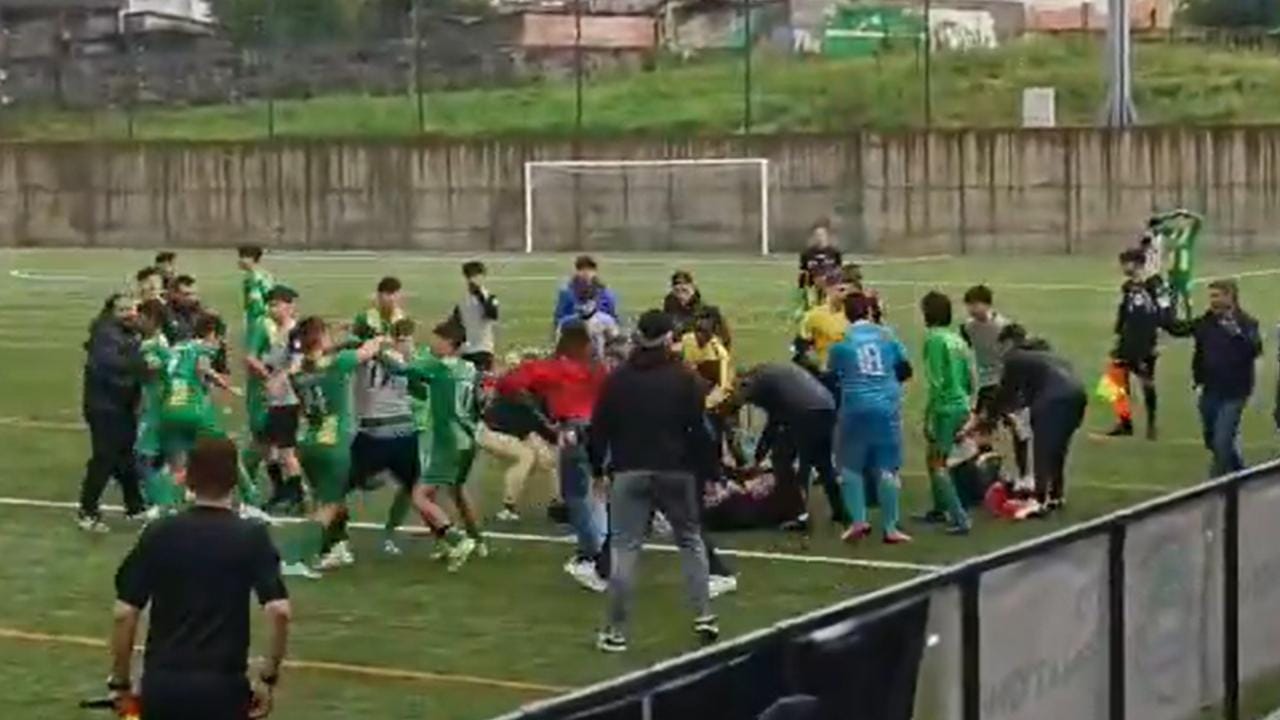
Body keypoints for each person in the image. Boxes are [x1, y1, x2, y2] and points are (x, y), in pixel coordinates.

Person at [108, 437, 291, 720]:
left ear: (189, 479)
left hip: (163, 685)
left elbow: (124, 613)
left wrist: (120, 682)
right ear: (233, 480)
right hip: (223, 688)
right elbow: (279, 611)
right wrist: (268, 678)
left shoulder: (159, 533)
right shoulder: (251, 536)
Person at [588, 310, 720, 653]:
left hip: (629, 470)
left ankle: (616, 631)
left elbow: (599, 428)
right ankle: (704, 614)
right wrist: (709, 473)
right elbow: (700, 431)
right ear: (668, 338)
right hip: (677, 470)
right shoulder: (684, 378)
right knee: (690, 541)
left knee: (625, 549)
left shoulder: (619, 379)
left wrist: (596, 470)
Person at [497, 322, 609, 591]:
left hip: (573, 433)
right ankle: (601, 549)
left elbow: (507, 383)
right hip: (604, 432)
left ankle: (594, 556)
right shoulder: (599, 368)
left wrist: (530, 398)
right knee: (598, 491)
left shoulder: (555, 368)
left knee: (576, 497)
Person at [281, 317, 385, 579]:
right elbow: (368, 351)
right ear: (320, 338)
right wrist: (380, 337)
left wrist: (336, 343)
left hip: (308, 441)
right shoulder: (339, 363)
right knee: (328, 505)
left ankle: (337, 547)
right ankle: (297, 557)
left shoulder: (297, 372)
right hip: (333, 443)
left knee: (332, 497)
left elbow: (315, 361)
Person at [392, 319, 488, 571]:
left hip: (447, 441)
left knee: (420, 496)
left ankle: (457, 539)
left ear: (449, 343)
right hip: (468, 440)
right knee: (457, 491)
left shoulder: (436, 367)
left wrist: (387, 352)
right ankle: (476, 541)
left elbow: (400, 370)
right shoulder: (469, 368)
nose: (433, 343)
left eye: (437, 339)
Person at [828, 292, 913, 544]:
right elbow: (905, 369)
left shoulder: (841, 342)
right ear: (868, 312)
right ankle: (890, 528)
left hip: (855, 407)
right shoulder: (887, 335)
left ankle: (858, 521)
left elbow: (833, 374)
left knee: (849, 466)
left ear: (846, 314)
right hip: (886, 407)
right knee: (887, 468)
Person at [986, 325, 1088, 514]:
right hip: (1078, 395)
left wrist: (990, 416)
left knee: (1043, 447)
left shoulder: (1015, 358)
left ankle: (1040, 499)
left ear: (1008, 343)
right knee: (1059, 447)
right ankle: (1056, 495)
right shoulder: (1048, 357)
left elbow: (1006, 392)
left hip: (1053, 399)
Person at [1167, 279, 1262, 477]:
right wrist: (1163, 304)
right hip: (1209, 390)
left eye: (1217, 296)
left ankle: (1214, 488)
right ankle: (1240, 472)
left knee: (1222, 441)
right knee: (1213, 440)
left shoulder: (1247, 323)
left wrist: (1237, 334)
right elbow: (1177, 328)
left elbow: (1255, 349)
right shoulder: (1206, 321)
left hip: (1235, 393)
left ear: (1230, 296)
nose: (1212, 301)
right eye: (1211, 296)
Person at [736, 362, 845, 528]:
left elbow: (773, 424)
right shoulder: (770, 373)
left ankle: (798, 515)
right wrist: (759, 457)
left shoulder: (757, 384)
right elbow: (777, 420)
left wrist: (757, 459)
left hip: (804, 413)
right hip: (826, 406)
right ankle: (840, 510)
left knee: (784, 461)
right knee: (823, 463)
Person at [78, 293, 146, 531]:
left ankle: (135, 506)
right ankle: (87, 511)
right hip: (105, 407)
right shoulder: (105, 336)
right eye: (123, 310)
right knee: (105, 458)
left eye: (132, 308)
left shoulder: (129, 333)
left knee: (125, 456)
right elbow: (114, 368)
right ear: (111, 312)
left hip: (122, 406)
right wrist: (145, 365)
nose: (130, 313)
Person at [244, 285, 304, 513]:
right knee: (268, 449)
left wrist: (279, 378)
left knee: (287, 452)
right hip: (273, 400)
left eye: (276, 305)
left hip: (287, 400)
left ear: (289, 306)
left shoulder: (294, 332)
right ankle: (280, 490)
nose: (272, 309)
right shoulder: (277, 331)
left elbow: (297, 364)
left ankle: (296, 493)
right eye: (270, 305)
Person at [918, 291, 974, 535]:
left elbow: (936, 381)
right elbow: (971, 377)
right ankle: (940, 508)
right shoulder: (957, 340)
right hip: (961, 403)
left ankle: (960, 518)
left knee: (939, 463)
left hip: (945, 408)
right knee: (933, 458)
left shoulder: (934, 340)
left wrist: (929, 414)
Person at [960, 285, 1028, 480]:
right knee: (982, 432)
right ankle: (991, 476)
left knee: (1018, 429)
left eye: (975, 304)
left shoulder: (1004, 327)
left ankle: (1025, 474)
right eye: (969, 305)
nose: (972, 309)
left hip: (1007, 383)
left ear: (987, 304)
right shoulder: (967, 327)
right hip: (985, 384)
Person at [1105, 247, 1173, 439]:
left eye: (1125, 263)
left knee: (1146, 383)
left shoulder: (1154, 284)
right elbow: (1125, 311)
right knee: (1115, 380)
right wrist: (1118, 334)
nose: (1122, 268)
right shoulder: (1127, 286)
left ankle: (1152, 425)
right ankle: (1124, 422)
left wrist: (1160, 339)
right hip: (1127, 341)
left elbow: (1166, 311)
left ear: (1136, 264)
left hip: (1146, 342)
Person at [479, 390, 558, 523]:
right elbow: (539, 425)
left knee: (547, 460)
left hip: (514, 432)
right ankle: (508, 506)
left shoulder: (536, 398)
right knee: (525, 457)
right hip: (490, 431)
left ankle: (558, 501)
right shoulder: (527, 399)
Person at [134, 299, 181, 517]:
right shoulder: (162, 342)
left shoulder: (152, 346)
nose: (137, 320)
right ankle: (167, 501)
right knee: (164, 458)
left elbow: (153, 373)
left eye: (141, 316)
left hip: (155, 409)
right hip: (166, 406)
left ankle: (160, 503)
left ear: (152, 319)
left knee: (143, 458)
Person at [794, 267, 852, 376]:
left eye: (848, 291)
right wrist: (817, 370)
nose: (845, 295)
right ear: (827, 289)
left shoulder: (856, 312)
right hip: (828, 374)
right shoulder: (814, 316)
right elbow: (801, 350)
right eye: (841, 290)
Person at [452, 260, 501, 372]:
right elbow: (456, 325)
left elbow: (491, 314)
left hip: (480, 350)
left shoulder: (487, 298)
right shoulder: (463, 301)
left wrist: (480, 294)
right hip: (473, 350)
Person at [663, 270, 730, 345]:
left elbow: (704, 340)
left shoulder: (706, 312)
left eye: (685, 291)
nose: (681, 296)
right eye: (677, 291)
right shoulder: (670, 306)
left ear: (693, 289)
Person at [795, 217, 843, 320]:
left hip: (829, 287)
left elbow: (839, 271)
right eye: (817, 235)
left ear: (827, 236)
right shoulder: (807, 253)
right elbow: (803, 272)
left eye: (822, 235)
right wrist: (802, 289)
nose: (819, 237)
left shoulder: (834, 252)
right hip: (812, 288)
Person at [553, 255, 619, 329]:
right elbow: (559, 319)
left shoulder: (605, 292)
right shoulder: (566, 292)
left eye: (590, 269)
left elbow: (613, 318)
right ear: (576, 271)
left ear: (595, 271)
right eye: (581, 269)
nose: (586, 272)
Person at [237, 245, 276, 342]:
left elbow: (270, 296)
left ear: (251, 259)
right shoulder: (249, 277)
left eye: (243, 257)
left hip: (261, 319)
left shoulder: (260, 278)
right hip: (252, 318)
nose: (240, 260)